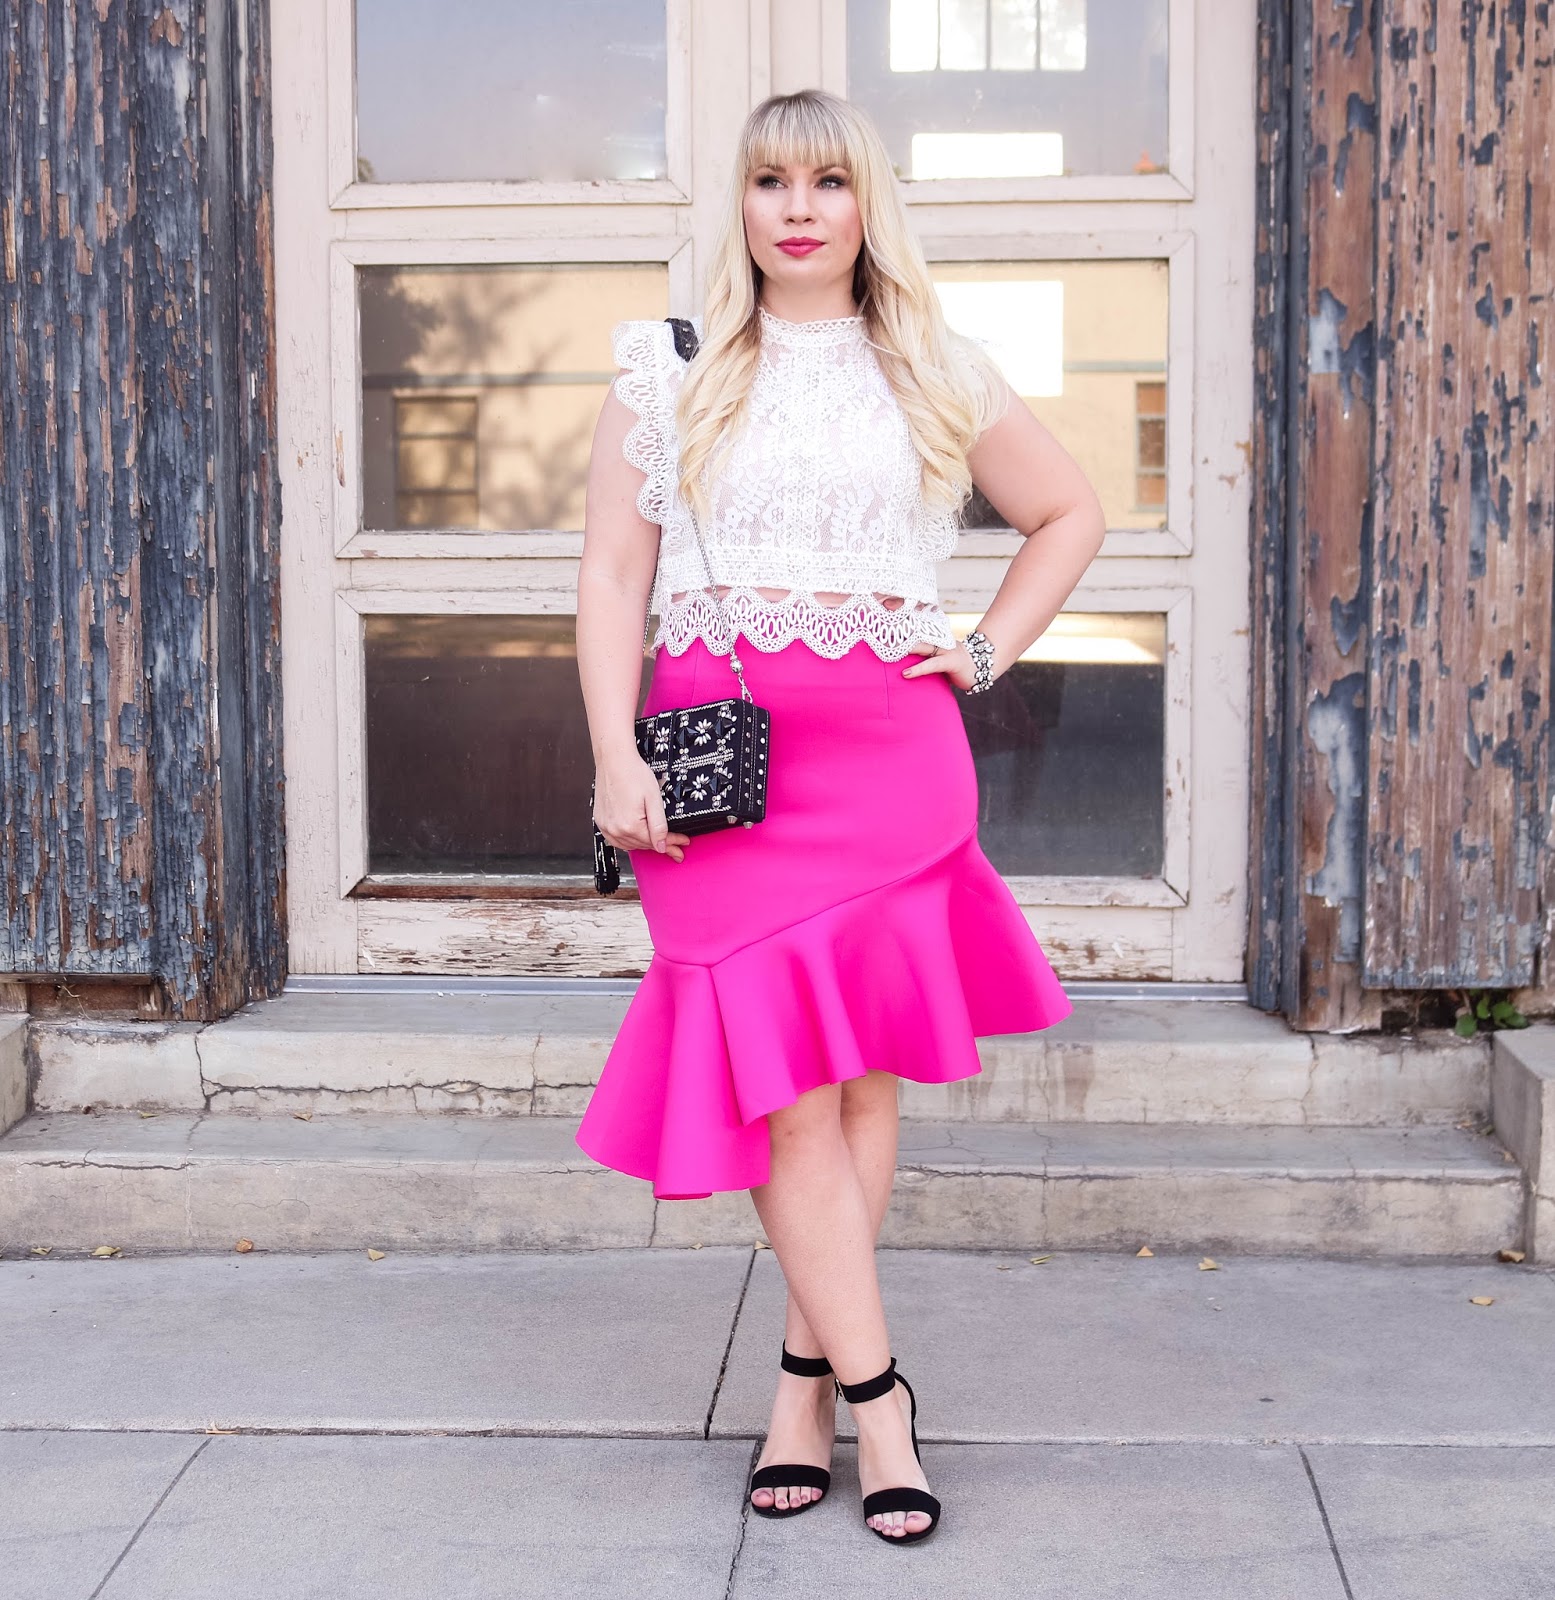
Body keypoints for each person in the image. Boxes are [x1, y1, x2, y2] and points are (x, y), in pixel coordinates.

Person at [574, 89, 1104, 1546]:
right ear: (736, 204)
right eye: (768, 181)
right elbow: (616, 581)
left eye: (827, 181)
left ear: (867, 203)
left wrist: (985, 649)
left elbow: (1069, 513)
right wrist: (615, 758)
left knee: (860, 1085)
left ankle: (801, 1386)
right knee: (786, 1089)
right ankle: (886, 1402)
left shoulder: (931, 360)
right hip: (719, 779)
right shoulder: (664, 368)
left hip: (890, 765)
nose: (797, 208)